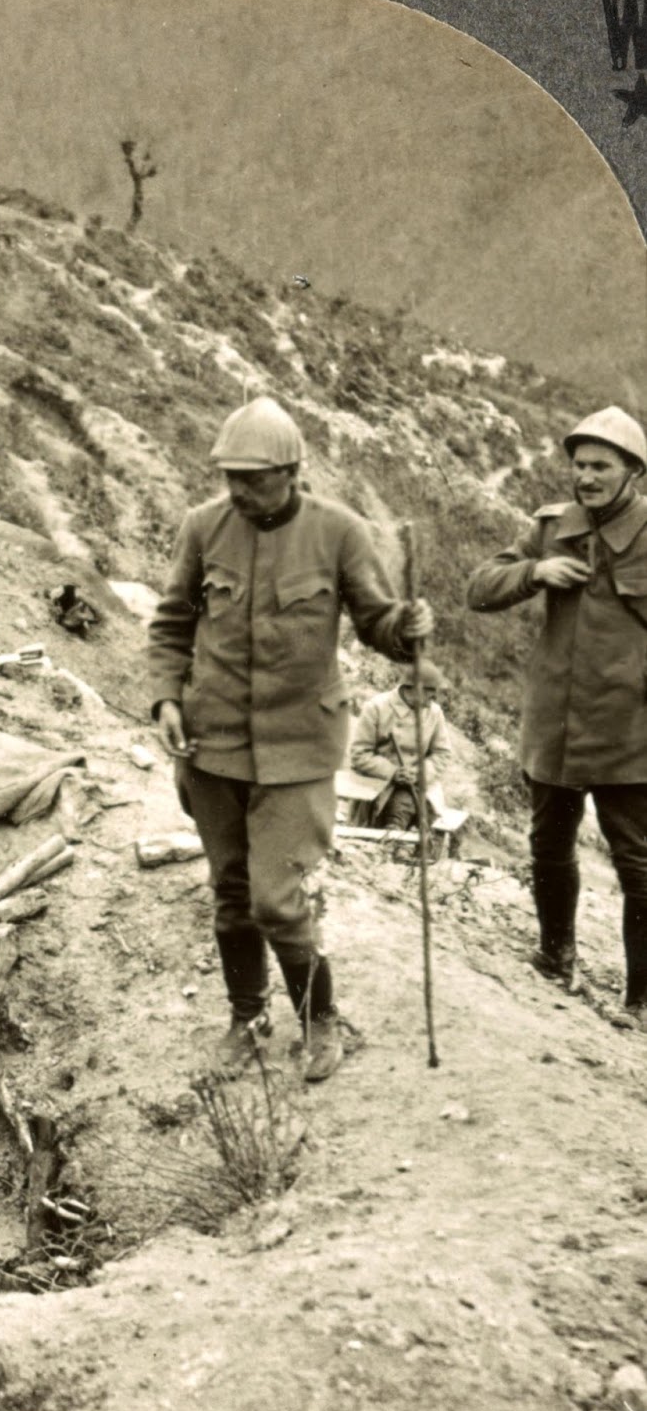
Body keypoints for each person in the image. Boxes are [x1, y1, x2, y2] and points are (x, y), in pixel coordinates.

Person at [149, 395, 434, 1081]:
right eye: (230, 478)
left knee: (277, 899)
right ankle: (246, 1021)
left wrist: (405, 628)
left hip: (299, 748)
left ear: (290, 471)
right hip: (211, 744)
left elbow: (375, 623)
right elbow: (169, 625)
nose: (238, 491)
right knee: (228, 892)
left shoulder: (339, 533)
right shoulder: (201, 528)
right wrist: (163, 697)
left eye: (253, 478)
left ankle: (318, 1020)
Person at [466, 405, 647, 1029]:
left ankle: (642, 1000)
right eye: (579, 465)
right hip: (556, 725)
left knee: (638, 863)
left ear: (634, 473)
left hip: (631, 730)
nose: (587, 477)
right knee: (549, 845)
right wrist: (534, 571)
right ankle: (554, 956)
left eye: (602, 466)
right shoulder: (551, 528)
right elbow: (479, 587)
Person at [350, 661, 451, 830]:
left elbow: (442, 754)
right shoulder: (376, 708)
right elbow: (359, 754)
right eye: (431, 692)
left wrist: (420, 773)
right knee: (393, 810)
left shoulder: (434, 713)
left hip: (418, 784)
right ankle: (395, 836)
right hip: (380, 782)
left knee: (423, 811)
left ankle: (404, 839)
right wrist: (392, 772)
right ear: (415, 688)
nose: (434, 699)